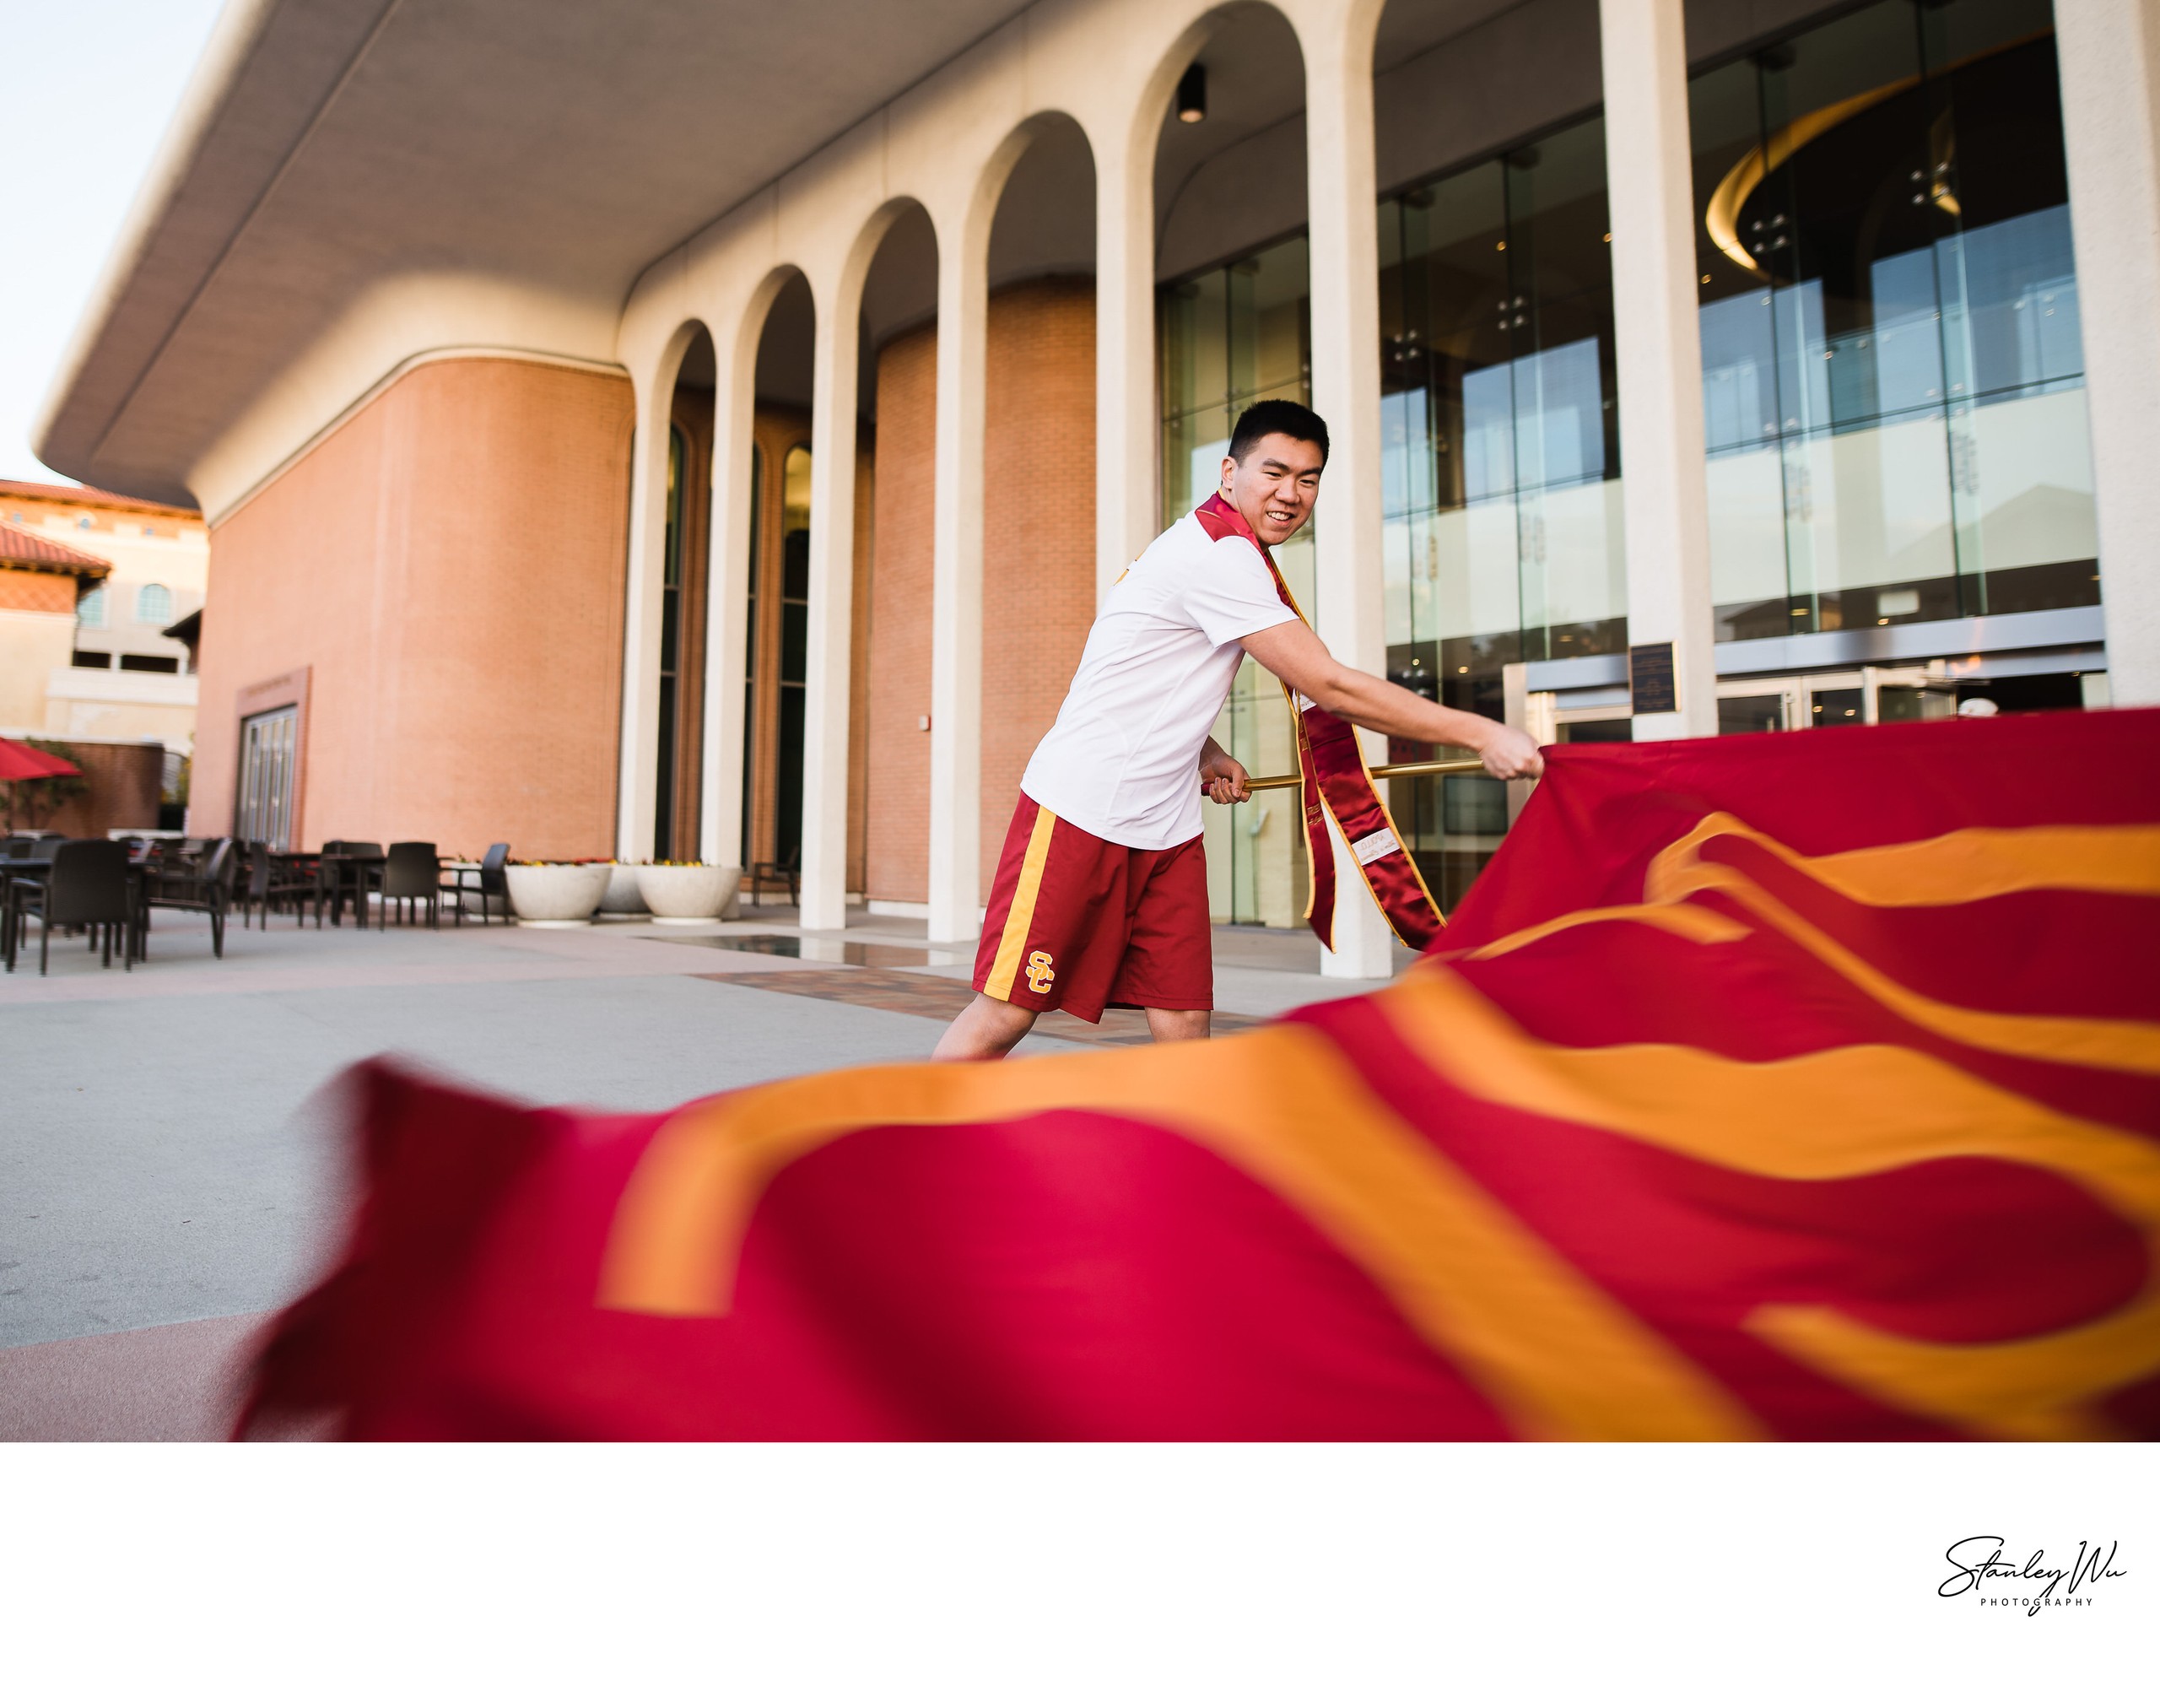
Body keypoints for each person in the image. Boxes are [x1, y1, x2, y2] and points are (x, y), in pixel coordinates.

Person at [932, 398, 1544, 1062]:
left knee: (1186, 1025)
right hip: (1083, 808)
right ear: (1229, 473)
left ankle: (1184, 1161)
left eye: (1308, 479)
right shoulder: (1218, 556)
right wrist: (1481, 733)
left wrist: (1206, 749)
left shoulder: (1223, 548)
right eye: (1274, 473)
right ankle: (909, 1152)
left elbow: (1147, 671)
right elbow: (1330, 685)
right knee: (1006, 1011)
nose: (1291, 494)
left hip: (1165, 824)